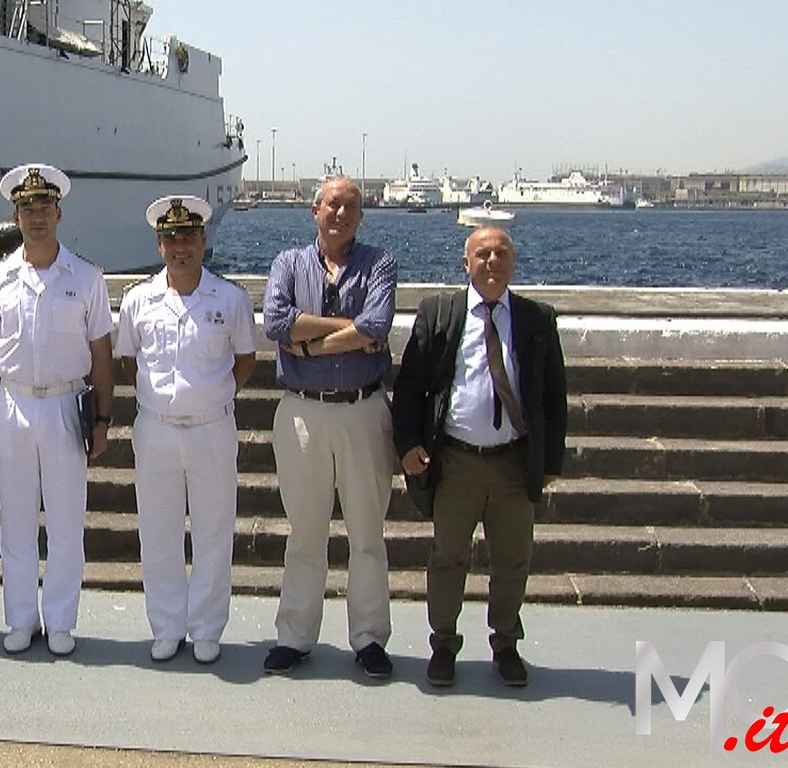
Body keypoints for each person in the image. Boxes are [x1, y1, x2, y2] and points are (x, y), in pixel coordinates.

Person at [392, 225, 567, 688]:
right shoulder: (440, 314)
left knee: (513, 558)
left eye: (502, 253)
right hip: (456, 462)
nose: (493, 261)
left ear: (513, 262)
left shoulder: (537, 320)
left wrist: (549, 463)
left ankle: (505, 644)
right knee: (448, 556)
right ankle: (443, 645)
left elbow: (553, 396)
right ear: (465, 264)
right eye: (482, 254)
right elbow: (410, 385)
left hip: (513, 463)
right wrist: (408, 446)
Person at [0, 163, 114, 657]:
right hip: (12, 403)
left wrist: (102, 419)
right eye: (27, 208)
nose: (37, 216)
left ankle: (59, 620)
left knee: (65, 519)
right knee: (14, 519)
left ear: (59, 212)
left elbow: (100, 352)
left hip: (64, 404)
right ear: (15, 215)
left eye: (44, 207)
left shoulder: (87, 277)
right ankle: (20, 618)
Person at [260, 175, 398, 678]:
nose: (341, 214)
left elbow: (377, 325)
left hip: (363, 411)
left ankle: (368, 638)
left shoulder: (379, 263)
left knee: (367, 531)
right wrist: (346, 332)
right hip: (302, 412)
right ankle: (294, 636)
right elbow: (276, 322)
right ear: (314, 211)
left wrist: (311, 341)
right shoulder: (287, 263)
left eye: (351, 207)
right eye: (332, 205)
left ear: (360, 216)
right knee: (305, 531)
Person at [116, 196, 257, 665]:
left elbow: (244, 362)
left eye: (190, 237)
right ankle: (167, 626)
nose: (182, 248)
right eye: (172, 239)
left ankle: (207, 628)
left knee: (215, 533)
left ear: (203, 241)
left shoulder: (231, 299)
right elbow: (128, 360)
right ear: (159, 245)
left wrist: (209, 397)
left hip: (211, 429)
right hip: (155, 429)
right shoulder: (138, 300)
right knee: (158, 532)